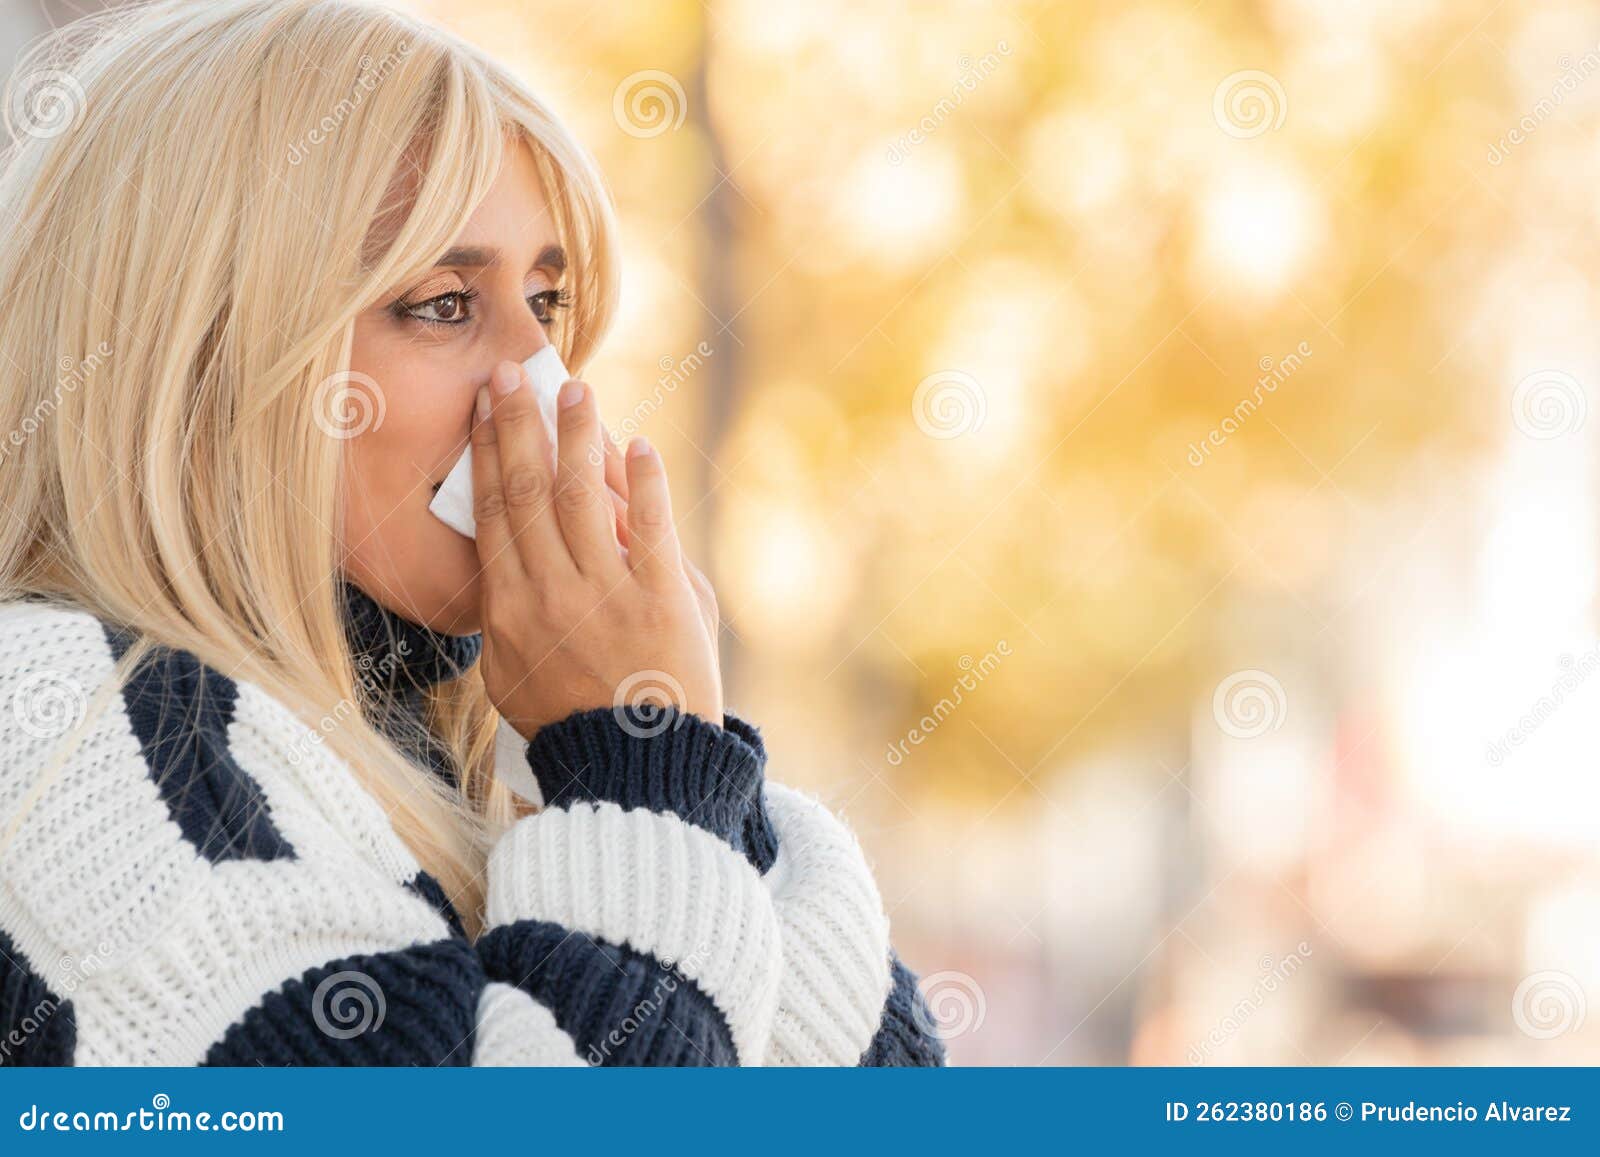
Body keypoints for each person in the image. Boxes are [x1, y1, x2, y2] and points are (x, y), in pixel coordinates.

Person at [0, 0, 942, 1067]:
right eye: (444, 302)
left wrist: (675, 755)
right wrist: (637, 773)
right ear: (200, 357)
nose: (540, 383)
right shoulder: (71, 714)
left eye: (547, 302)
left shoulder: (468, 754)